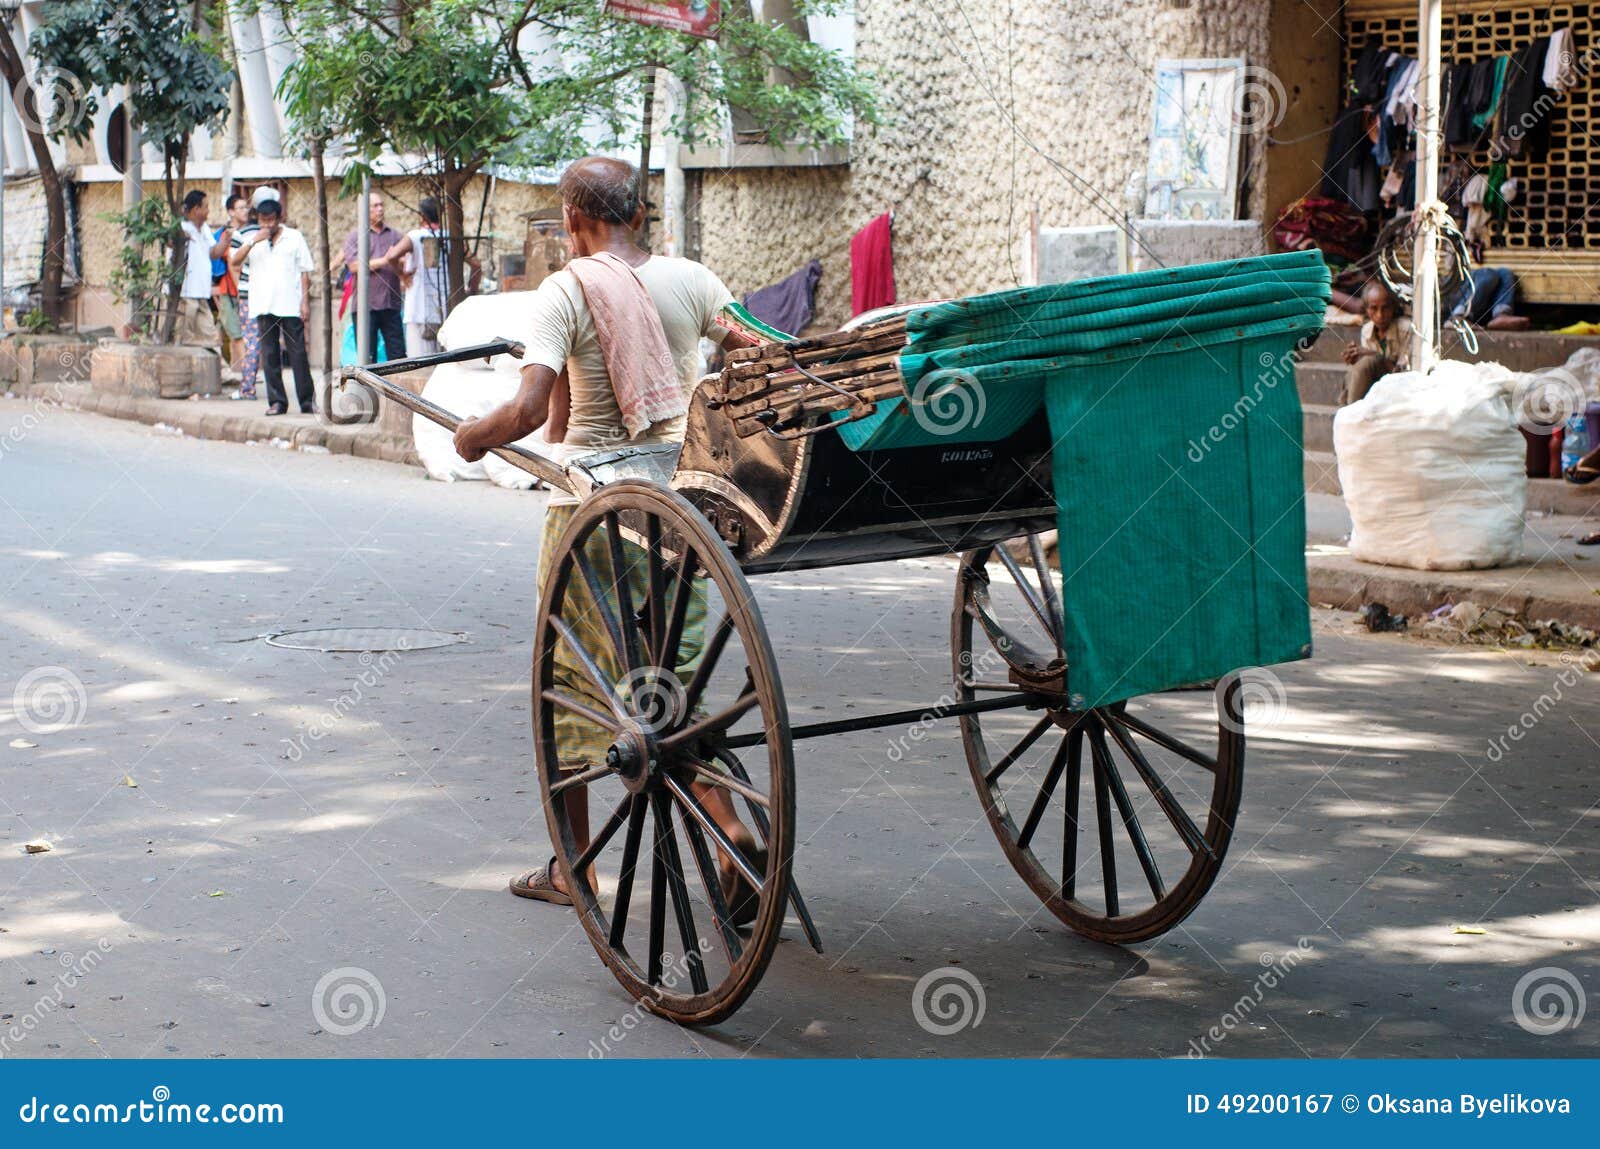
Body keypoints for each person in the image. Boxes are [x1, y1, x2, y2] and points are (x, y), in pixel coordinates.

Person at [452, 155, 756, 910]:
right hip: (685, 506)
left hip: (594, 511)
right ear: (642, 219)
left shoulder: (566, 288)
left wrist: (471, 436)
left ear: (571, 223)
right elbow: (759, 353)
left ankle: (573, 866)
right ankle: (728, 825)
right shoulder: (692, 280)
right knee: (669, 679)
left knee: (568, 686)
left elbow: (528, 413)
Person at [230, 198, 316, 416]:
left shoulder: (294, 237)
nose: (267, 225)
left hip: (289, 304)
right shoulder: (250, 237)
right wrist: (254, 241)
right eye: (262, 220)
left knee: (298, 355)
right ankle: (277, 402)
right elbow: (235, 261)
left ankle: (307, 401)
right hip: (263, 304)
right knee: (269, 356)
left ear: (280, 218)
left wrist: (304, 302)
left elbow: (304, 271)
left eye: (270, 220)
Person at [376, 196, 481, 355]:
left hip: (419, 311)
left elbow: (391, 257)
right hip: (448, 309)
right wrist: (471, 291)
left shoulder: (415, 237)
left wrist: (402, 276)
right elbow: (476, 265)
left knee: (420, 365)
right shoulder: (451, 237)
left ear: (421, 216)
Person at [341, 191, 407, 361]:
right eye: (375, 206)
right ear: (365, 210)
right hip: (365, 307)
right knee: (367, 359)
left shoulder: (395, 235)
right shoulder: (355, 236)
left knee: (398, 357)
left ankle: (395, 388)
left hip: (391, 304)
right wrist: (386, 260)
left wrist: (398, 262)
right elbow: (354, 266)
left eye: (381, 205)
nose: (380, 209)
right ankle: (370, 389)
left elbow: (404, 263)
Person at [1342, 280, 1413, 404]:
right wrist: (1356, 359)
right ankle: (1348, 411)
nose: (1380, 315)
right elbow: (1366, 368)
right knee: (1353, 372)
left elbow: (1403, 374)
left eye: (1385, 308)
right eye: (1373, 308)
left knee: (1368, 362)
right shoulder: (1367, 330)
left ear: (1393, 308)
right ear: (1367, 309)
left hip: (1400, 386)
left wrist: (1373, 356)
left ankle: (1351, 412)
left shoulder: (1406, 329)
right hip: (1377, 385)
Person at [177, 190, 230, 355]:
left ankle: (221, 373)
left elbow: (214, 253)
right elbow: (171, 244)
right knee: (183, 337)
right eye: (206, 207)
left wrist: (226, 240)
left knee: (211, 336)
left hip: (201, 292)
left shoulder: (205, 229)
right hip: (185, 294)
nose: (208, 211)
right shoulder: (180, 229)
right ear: (195, 210)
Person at [226, 192, 262, 400]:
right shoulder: (235, 234)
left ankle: (247, 388)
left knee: (251, 341)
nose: (245, 211)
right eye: (241, 208)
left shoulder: (242, 235)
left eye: (246, 208)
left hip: (249, 292)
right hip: (249, 290)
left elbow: (234, 264)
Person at [1450, 266, 1532, 331]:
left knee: (1506, 273)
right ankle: (1457, 316)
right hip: (1456, 283)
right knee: (1488, 274)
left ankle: (1501, 315)